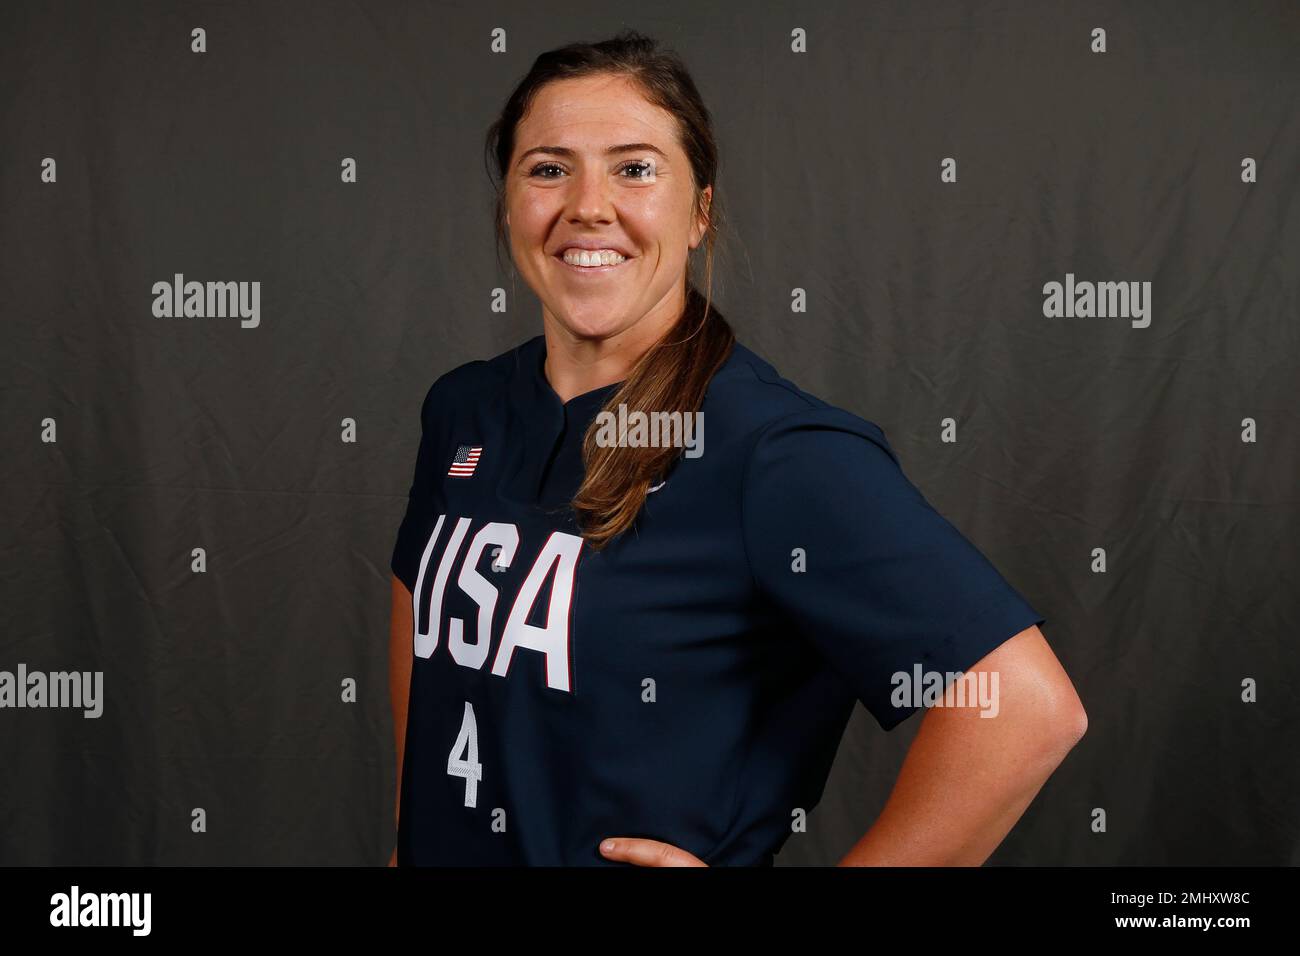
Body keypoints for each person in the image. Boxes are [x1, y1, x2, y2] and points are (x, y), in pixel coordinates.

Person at [387, 30, 1086, 867]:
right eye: (548, 168)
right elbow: (428, 636)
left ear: (700, 213)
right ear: (510, 204)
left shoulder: (773, 450)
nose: (588, 205)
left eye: (635, 168)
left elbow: (1024, 706)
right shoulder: (463, 408)